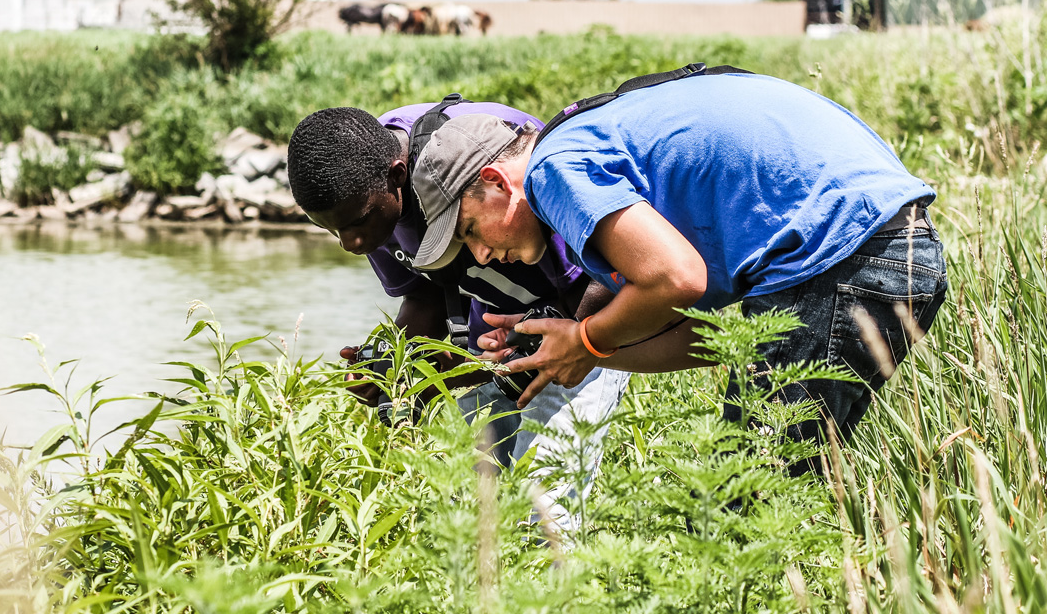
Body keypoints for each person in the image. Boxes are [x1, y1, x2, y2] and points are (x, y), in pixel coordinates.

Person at [409, 69, 949, 473]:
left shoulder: (554, 170)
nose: (479, 257)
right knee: (785, 489)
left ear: (495, 181)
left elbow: (677, 278)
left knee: (744, 505)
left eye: (470, 231)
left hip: (840, 257)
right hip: (895, 251)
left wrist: (586, 337)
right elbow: (713, 337)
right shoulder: (598, 143)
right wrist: (582, 353)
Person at [286, 103, 629, 527]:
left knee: (542, 514)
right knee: (474, 511)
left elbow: (602, 279)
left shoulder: (459, 162)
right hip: (500, 346)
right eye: (330, 229)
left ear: (397, 178)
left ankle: (559, 590)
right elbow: (424, 295)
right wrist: (398, 371)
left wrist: (524, 352)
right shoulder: (360, 186)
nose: (350, 243)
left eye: (355, 224)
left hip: (589, 323)